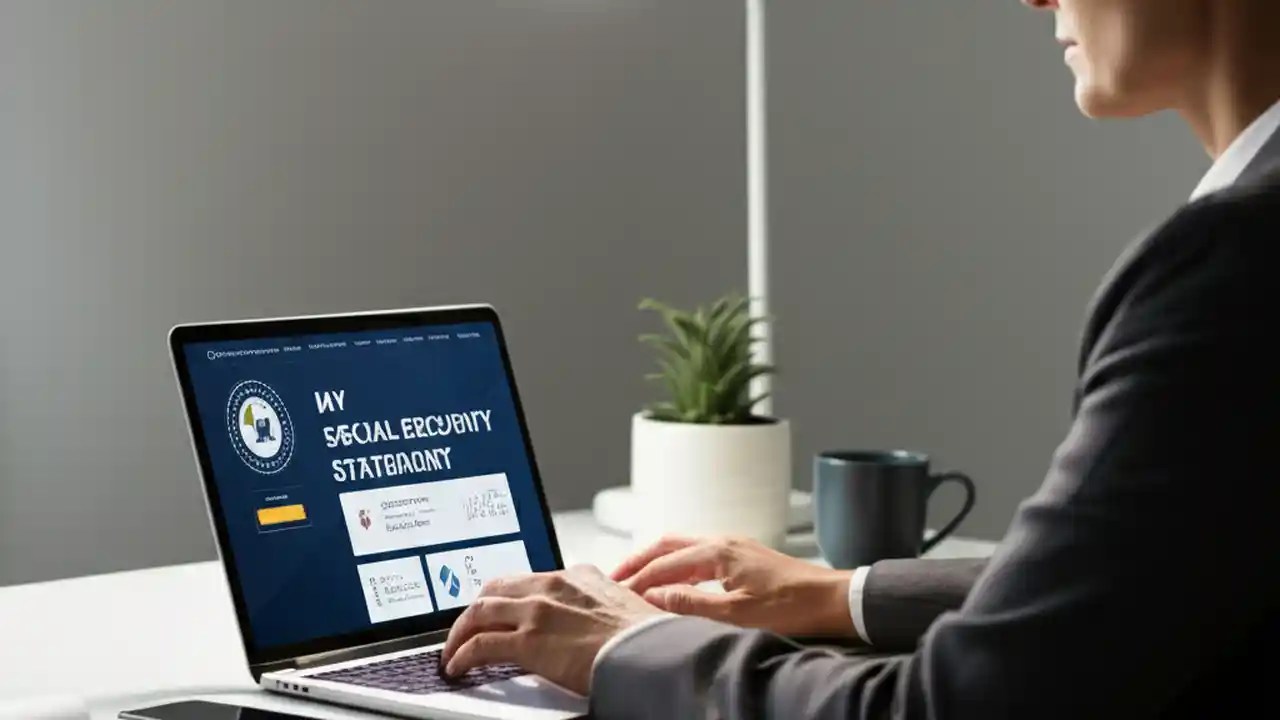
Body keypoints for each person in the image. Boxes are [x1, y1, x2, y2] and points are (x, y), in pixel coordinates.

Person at [441, 0, 1280, 717]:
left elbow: (954, 707)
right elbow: (1160, 580)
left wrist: (633, 646)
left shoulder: (1231, 262)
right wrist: (836, 592)